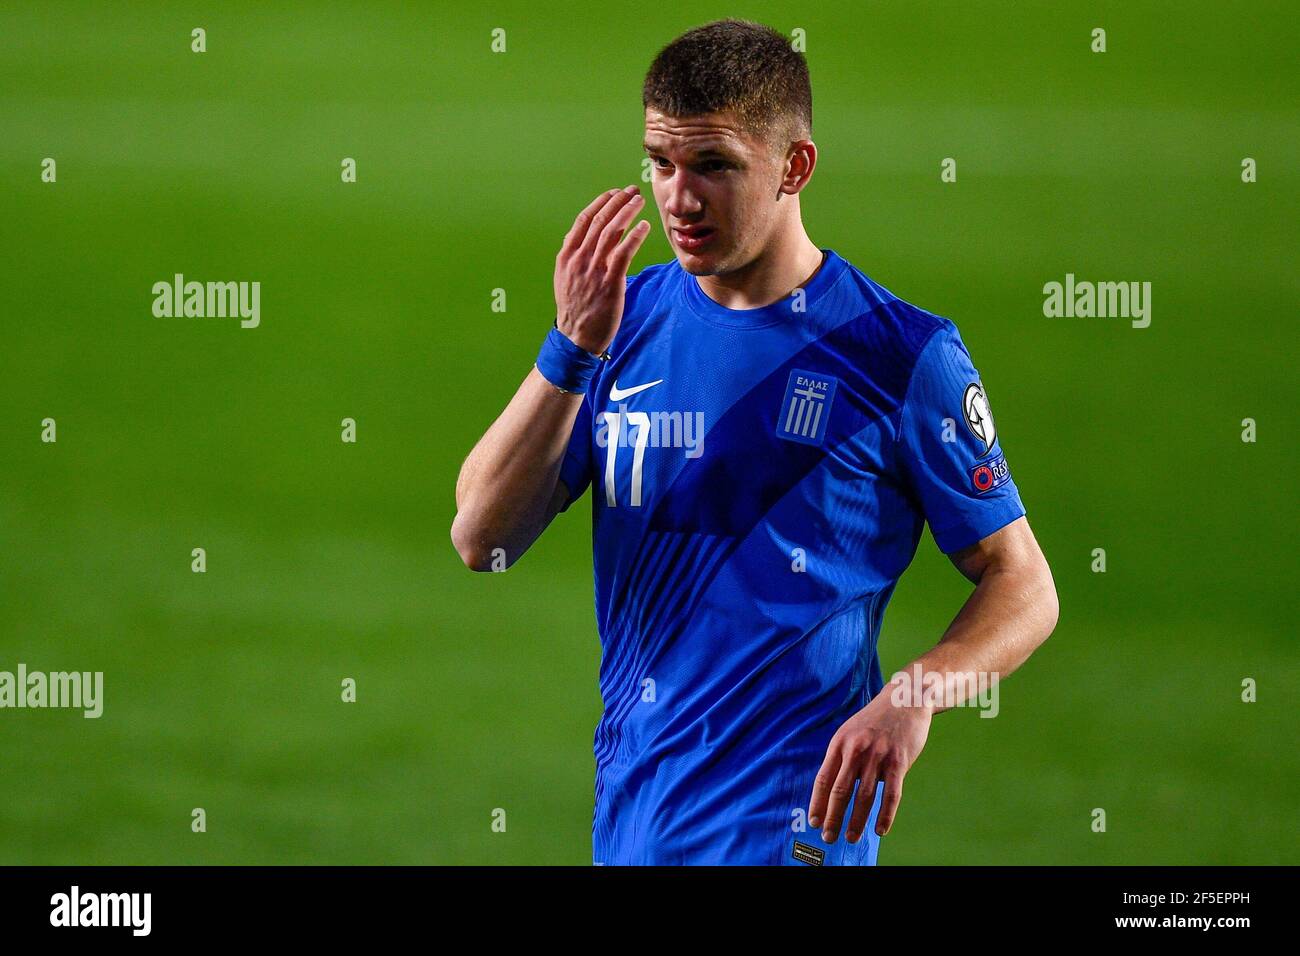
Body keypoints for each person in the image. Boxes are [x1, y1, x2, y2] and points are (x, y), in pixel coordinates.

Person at [452, 18, 1058, 865]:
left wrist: (916, 692)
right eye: (660, 163)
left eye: (714, 166)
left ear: (794, 167)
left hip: (791, 831)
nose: (679, 198)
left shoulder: (897, 353)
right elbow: (482, 540)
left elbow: (1024, 584)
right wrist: (572, 349)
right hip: (635, 820)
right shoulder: (621, 326)